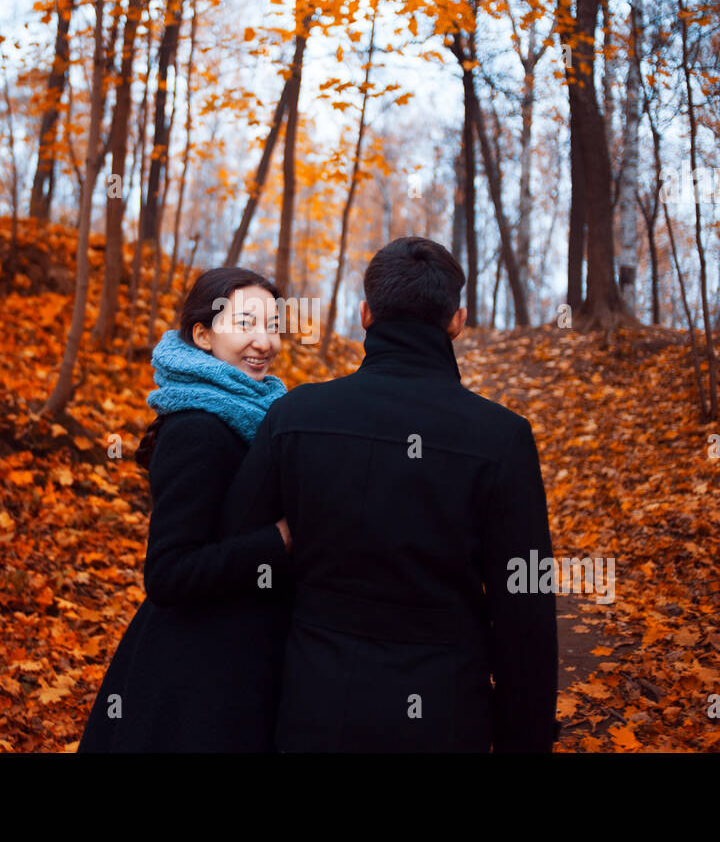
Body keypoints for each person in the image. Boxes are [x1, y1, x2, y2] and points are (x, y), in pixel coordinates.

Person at [231, 236, 558, 751]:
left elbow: (241, 563)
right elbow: (526, 611)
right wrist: (527, 740)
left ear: (365, 314)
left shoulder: (294, 417)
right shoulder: (502, 438)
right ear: (457, 321)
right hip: (445, 716)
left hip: (311, 708)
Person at [77, 268, 294, 752]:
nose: (265, 341)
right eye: (245, 323)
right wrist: (277, 542)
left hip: (228, 665)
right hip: (189, 679)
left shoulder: (252, 415)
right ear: (203, 335)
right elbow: (169, 572)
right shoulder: (198, 427)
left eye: (274, 325)